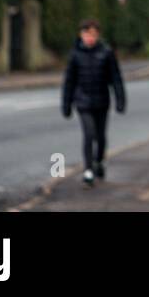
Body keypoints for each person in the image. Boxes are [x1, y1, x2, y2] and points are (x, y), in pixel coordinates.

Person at [61, 19, 126, 187]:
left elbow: (116, 78)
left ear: (98, 35)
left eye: (93, 34)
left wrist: (120, 100)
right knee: (89, 134)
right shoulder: (75, 55)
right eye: (87, 34)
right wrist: (66, 105)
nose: (90, 38)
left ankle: (99, 161)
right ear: (81, 35)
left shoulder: (106, 53)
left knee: (101, 136)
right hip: (83, 101)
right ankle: (88, 170)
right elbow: (69, 81)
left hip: (102, 101)